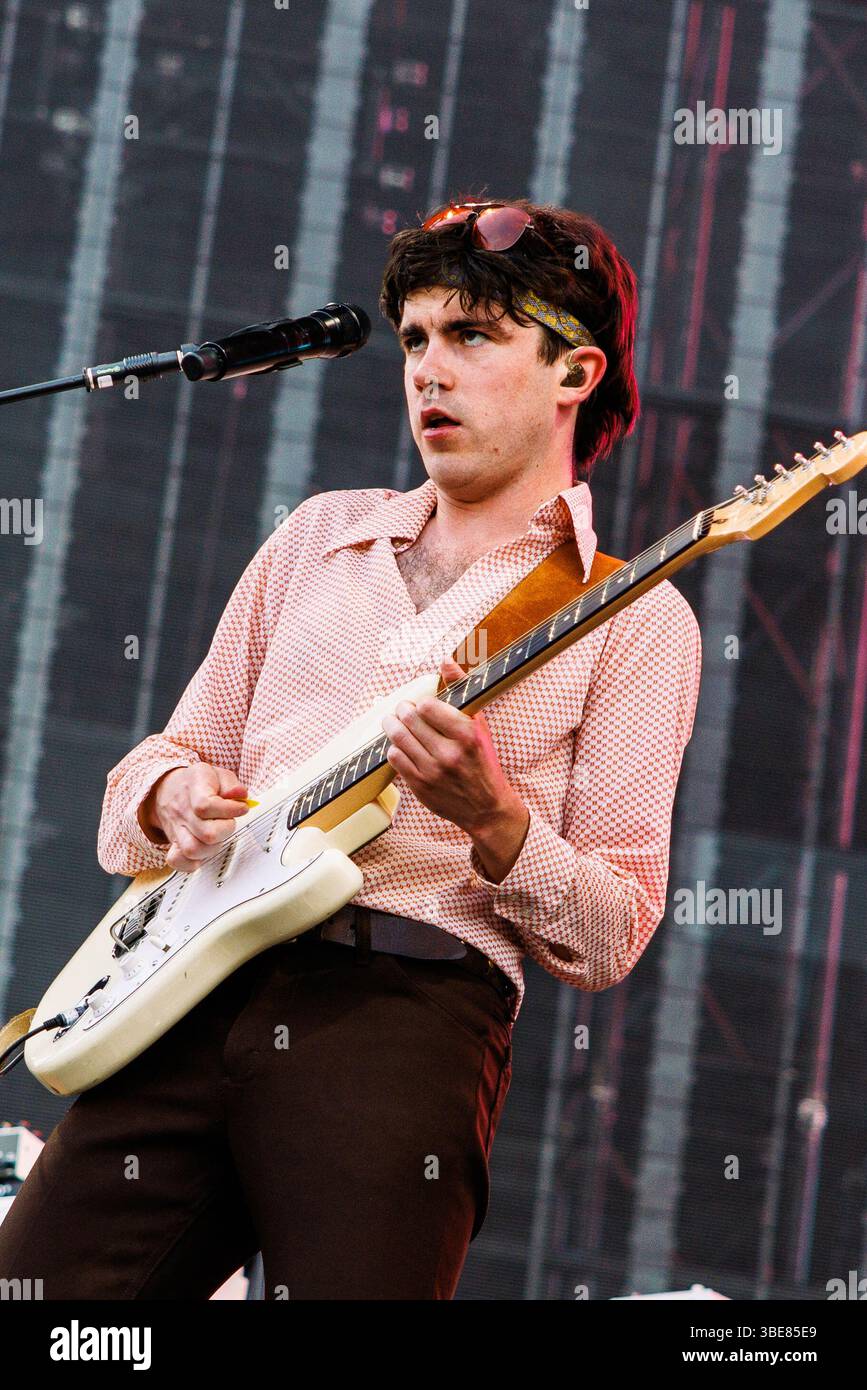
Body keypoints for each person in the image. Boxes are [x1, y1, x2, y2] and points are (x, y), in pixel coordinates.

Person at [0, 197, 700, 1300]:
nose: (428, 369)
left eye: (472, 336)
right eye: (416, 339)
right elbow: (145, 772)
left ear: (576, 374)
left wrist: (493, 818)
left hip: (403, 1018)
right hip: (187, 992)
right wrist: (171, 793)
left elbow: (612, 932)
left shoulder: (635, 617)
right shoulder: (320, 533)